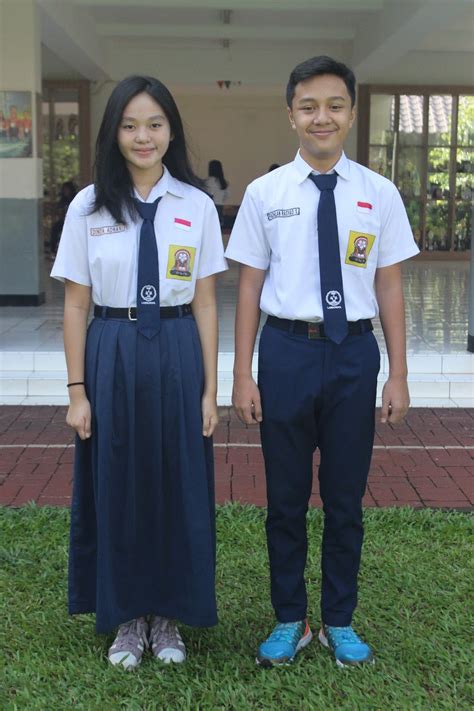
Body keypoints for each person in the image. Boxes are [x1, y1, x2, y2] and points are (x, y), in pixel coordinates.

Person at [225, 56, 419, 668]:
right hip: (285, 352)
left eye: (334, 105)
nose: (322, 117)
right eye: (308, 106)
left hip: (353, 355)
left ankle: (338, 618)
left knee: (343, 499)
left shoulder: (378, 193)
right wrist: (242, 371)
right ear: (291, 115)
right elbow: (250, 287)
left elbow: (388, 286)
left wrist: (399, 372)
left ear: (352, 112)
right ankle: (290, 618)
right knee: (284, 500)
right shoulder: (265, 193)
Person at [51, 75, 227, 669]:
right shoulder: (89, 205)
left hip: (177, 343)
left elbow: (205, 300)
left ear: (171, 129)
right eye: (129, 125)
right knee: (117, 478)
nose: (142, 136)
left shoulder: (196, 205)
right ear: (114, 133)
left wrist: (210, 386)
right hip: (113, 344)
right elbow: (76, 302)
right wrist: (77, 389)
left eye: (154, 123)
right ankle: (127, 616)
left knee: (178, 480)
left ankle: (168, 614)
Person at [50, 181, 77, 258]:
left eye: (67, 189)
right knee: (54, 229)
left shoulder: (75, 197)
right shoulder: (63, 198)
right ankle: (53, 251)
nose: (65, 191)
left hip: (74, 221)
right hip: (64, 221)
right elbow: (59, 208)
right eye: (64, 189)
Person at [206, 159, 229, 226]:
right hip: (220, 207)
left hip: (211, 207)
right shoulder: (223, 182)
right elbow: (227, 195)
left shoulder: (207, 182)